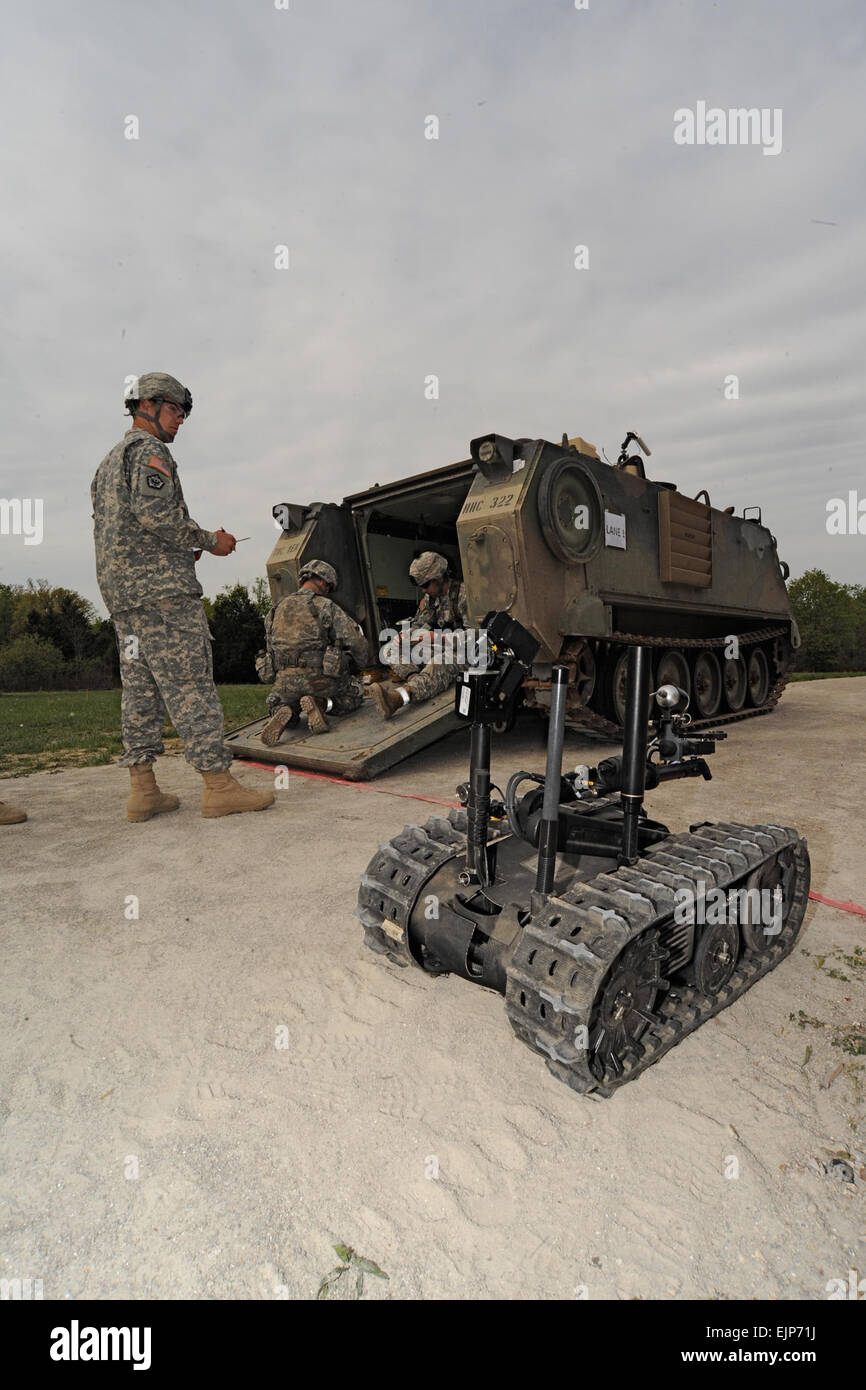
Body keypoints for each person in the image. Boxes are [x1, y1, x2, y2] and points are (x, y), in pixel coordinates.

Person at [91, 372, 274, 820]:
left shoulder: (108, 464)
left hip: (125, 599)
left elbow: (125, 530)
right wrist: (213, 540)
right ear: (148, 405)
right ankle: (217, 784)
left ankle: (143, 789)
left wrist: (173, 553)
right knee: (190, 683)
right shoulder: (150, 452)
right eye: (175, 410)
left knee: (141, 690)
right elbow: (157, 516)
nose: (180, 421)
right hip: (163, 598)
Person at [257, 560, 369, 744]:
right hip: (320, 680)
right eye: (329, 588)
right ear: (323, 582)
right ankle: (321, 704)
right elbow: (356, 641)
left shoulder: (276, 609)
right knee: (353, 697)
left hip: (285, 683)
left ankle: (286, 712)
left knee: (278, 703)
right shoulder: (325, 606)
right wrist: (363, 664)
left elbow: (271, 649)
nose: (327, 592)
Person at [372, 551, 471, 719]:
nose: (424, 590)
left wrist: (440, 638)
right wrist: (405, 637)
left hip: (464, 653)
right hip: (438, 646)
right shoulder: (431, 598)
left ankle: (397, 699)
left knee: (439, 663)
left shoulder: (464, 595)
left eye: (426, 585)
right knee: (390, 649)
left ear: (439, 578)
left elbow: (477, 638)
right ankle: (417, 680)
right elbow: (420, 623)